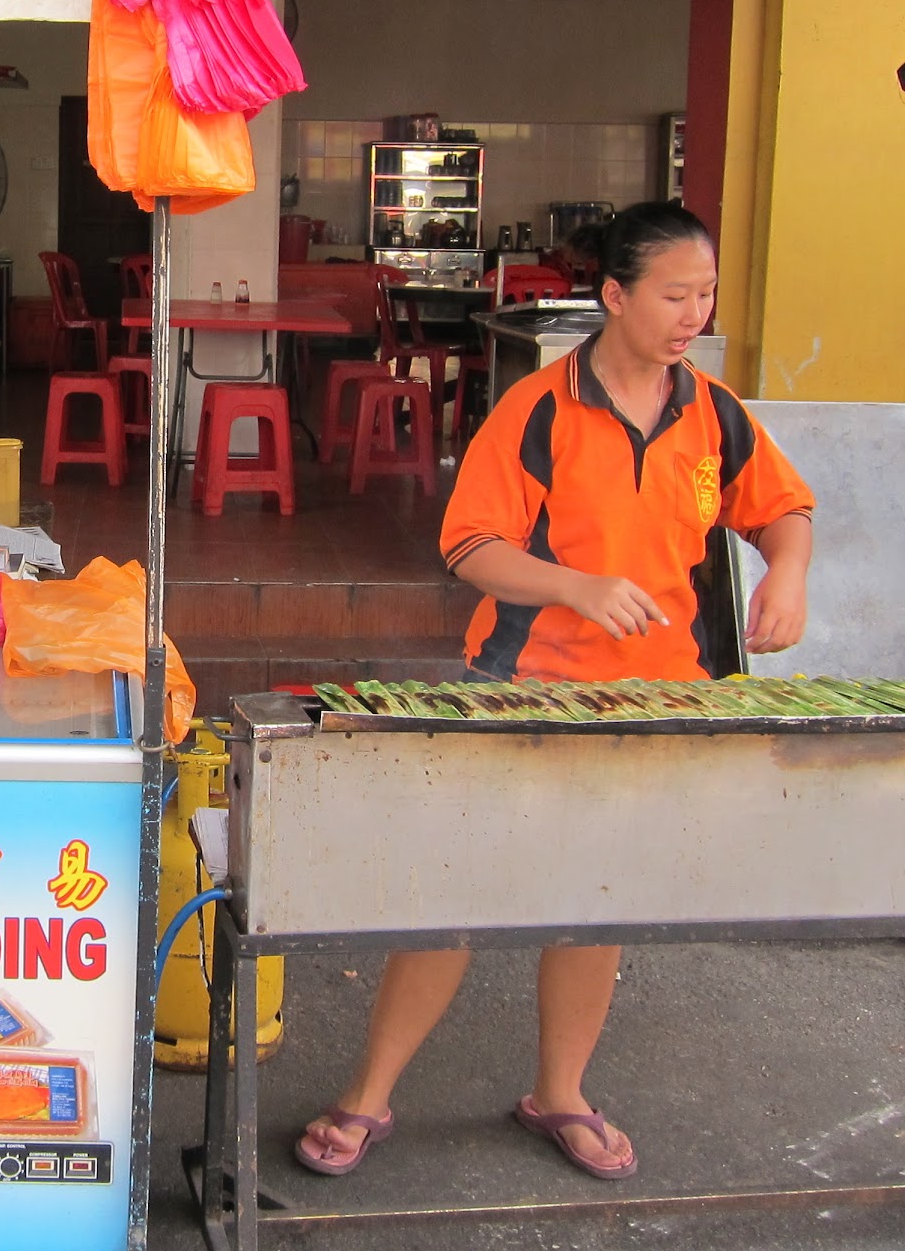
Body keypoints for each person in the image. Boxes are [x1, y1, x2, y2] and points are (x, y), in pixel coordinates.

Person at [296, 201, 814, 1184]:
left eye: (703, 294)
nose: (691, 313)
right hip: (526, 689)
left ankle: (560, 1092)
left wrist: (786, 574)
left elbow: (780, 510)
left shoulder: (714, 413)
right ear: (614, 296)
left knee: (595, 899)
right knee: (458, 894)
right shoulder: (539, 408)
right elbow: (469, 545)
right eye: (673, 293)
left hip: (663, 702)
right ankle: (367, 1095)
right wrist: (573, 584)